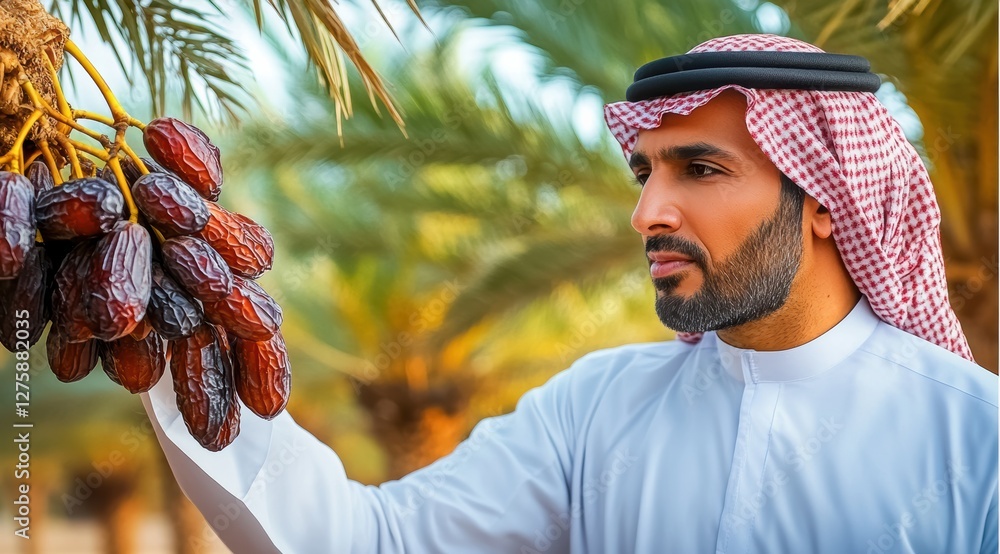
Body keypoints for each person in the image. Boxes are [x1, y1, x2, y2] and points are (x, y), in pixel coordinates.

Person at [141, 34, 998, 553]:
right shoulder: (594, 410)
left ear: (823, 199)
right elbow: (368, 544)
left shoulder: (975, 436)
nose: (646, 213)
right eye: (644, 173)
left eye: (699, 169)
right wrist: (172, 319)